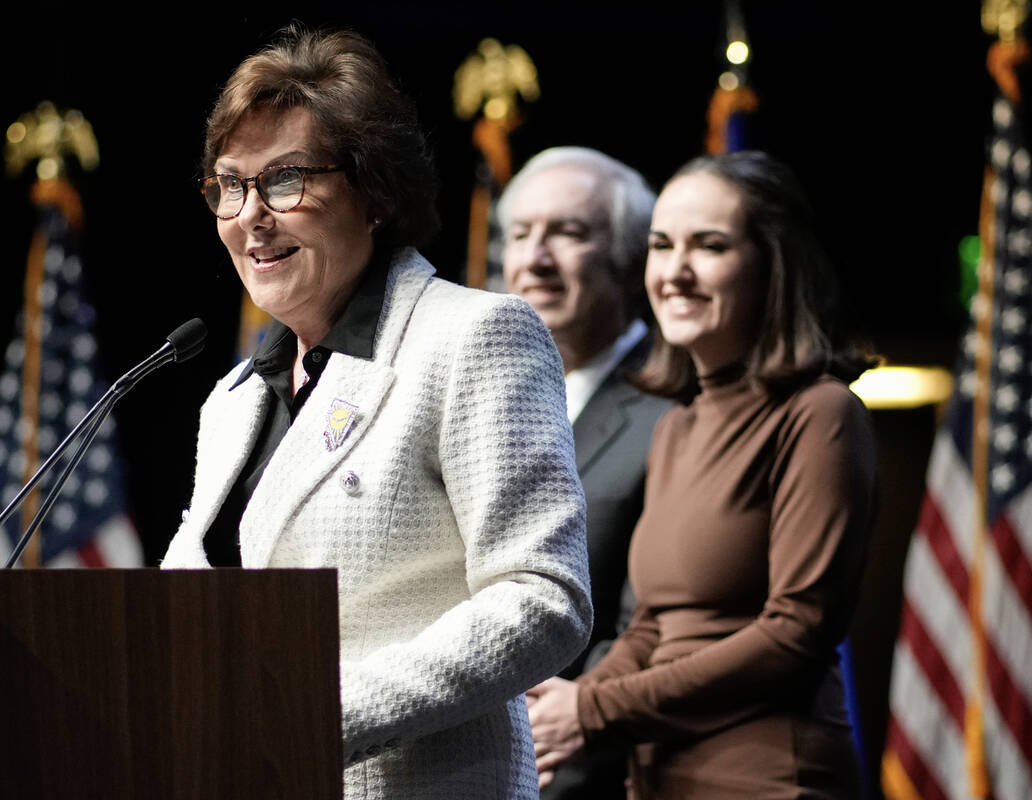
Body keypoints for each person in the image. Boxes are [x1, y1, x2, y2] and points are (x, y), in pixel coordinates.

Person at [159, 26, 592, 800]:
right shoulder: (233, 400)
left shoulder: (473, 337)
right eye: (229, 185)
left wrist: (316, 717)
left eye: (285, 179)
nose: (251, 215)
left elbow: (542, 596)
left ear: (375, 189)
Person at [527, 150, 876, 799]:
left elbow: (797, 632)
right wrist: (566, 705)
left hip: (770, 782)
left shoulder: (820, 412)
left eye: (709, 246)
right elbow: (651, 625)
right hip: (658, 780)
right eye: (662, 246)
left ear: (771, 265)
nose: (676, 273)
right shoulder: (677, 426)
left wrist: (595, 709)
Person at [499, 148, 673, 799]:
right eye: (521, 234)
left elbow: (665, 616)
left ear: (629, 264)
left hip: (590, 771)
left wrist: (569, 732)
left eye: (568, 233)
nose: (535, 259)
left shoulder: (678, 406)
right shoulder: (482, 399)